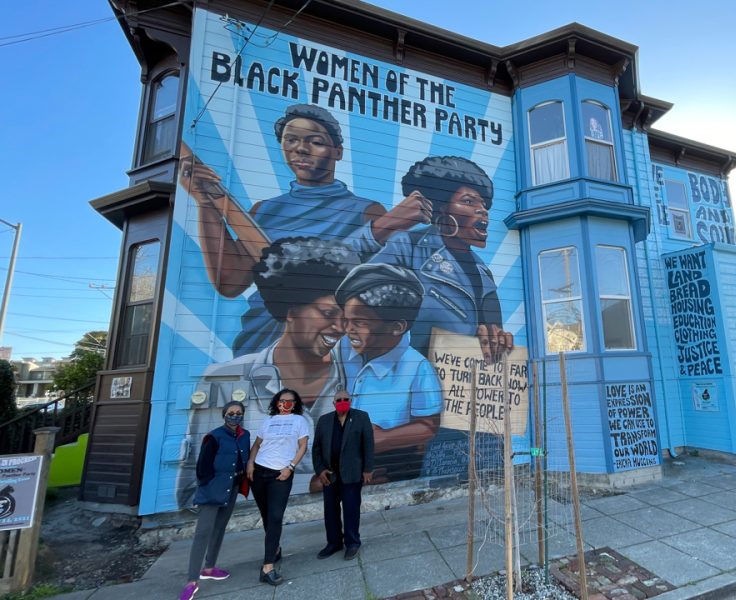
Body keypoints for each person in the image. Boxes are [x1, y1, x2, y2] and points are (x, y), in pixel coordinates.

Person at [178, 103, 432, 356]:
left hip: (329, 348)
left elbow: (374, 291)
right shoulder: (264, 210)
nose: (300, 148)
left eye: (315, 141)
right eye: (291, 140)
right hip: (261, 343)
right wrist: (205, 204)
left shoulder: (366, 212)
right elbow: (229, 284)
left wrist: (381, 227)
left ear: (338, 152)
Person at [176, 238, 360, 507]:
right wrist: (305, 485)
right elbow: (192, 490)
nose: (340, 327)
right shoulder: (226, 379)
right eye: (328, 313)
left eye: (346, 318)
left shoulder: (355, 380)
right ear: (290, 310)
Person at [368, 156, 513, 363]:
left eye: (484, 203)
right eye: (469, 201)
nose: (483, 210)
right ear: (441, 210)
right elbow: (360, 293)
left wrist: (498, 340)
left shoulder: (483, 273)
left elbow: (492, 334)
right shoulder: (408, 246)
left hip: (462, 377)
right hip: (412, 372)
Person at [335, 263, 442, 482]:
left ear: (397, 327)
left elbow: (428, 426)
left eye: (359, 323)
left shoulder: (416, 367)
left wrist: (382, 438)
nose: (348, 330)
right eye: (346, 321)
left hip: (388, 464)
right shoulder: (343, 350)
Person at [178, 401, 250, 600]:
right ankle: (192, 581)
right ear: (224, 415)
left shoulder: (245, 435)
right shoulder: (214, 437)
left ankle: (209, 568)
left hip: (232, 488)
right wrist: (208, 487)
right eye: (231, 412)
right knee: (203, 533)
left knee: (219, 528)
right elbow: (203, 467)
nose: (234, 416)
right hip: (213, 490)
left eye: (238, 412)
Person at [247, 388, 310, 585]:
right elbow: (257, 444)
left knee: (275, 516)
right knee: (267, 515)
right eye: (282, 400)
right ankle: (274, 549)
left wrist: (290, 467)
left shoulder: (299, 421)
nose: (286, 404)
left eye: (290, 401)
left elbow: (303, 446)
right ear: (276, 402)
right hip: (259, 472)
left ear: (295, 404)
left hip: (281, 474)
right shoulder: (268, 420)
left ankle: (268, 567)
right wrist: (250, 463)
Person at [313, 389, 374, 561]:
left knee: (351, 509)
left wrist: (368, 469)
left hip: (352, 473)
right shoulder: (324, 420)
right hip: (330, 475)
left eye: (346, 399)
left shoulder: (361, 417)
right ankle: (334, 543)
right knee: (330, 511)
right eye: (339, 400)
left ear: (350, 401)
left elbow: (368, 444)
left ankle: (352, 543)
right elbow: (316, 448)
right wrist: (320, 470)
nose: (342, 402)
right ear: (333, 403)